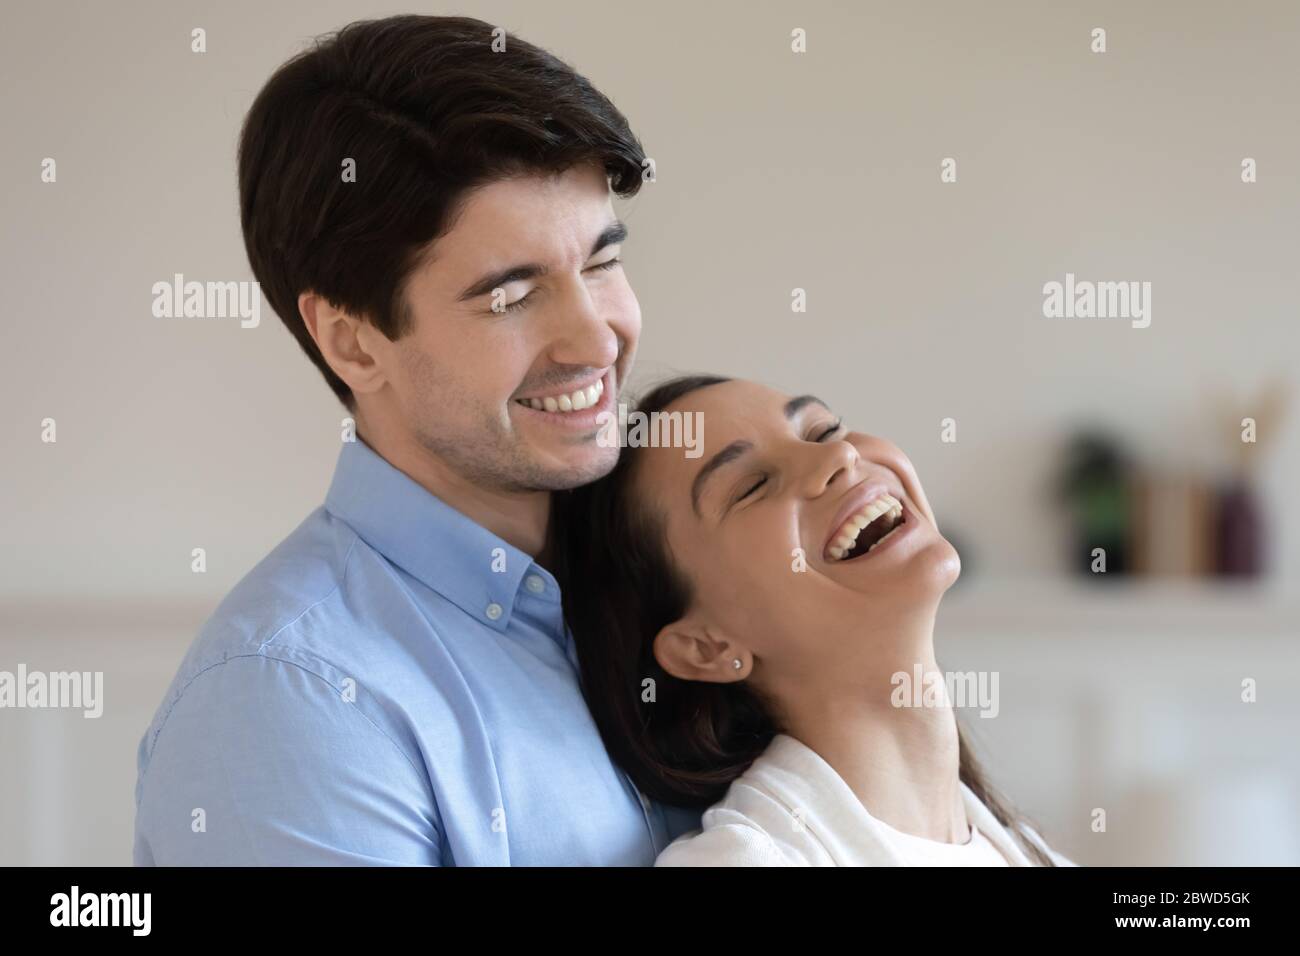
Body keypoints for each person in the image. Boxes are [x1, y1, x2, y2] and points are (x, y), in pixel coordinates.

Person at [133, 15, 702, 865]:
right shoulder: (289, 700)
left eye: (600, 263)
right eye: (511, 296)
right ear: (353, 342)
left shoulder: (676, 572)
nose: (597, 340)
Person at [550, 375, 1075, 866]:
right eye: (752, 486)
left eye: (822, 429)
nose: (838, 455)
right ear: (705, 647)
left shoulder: (1015, 848)